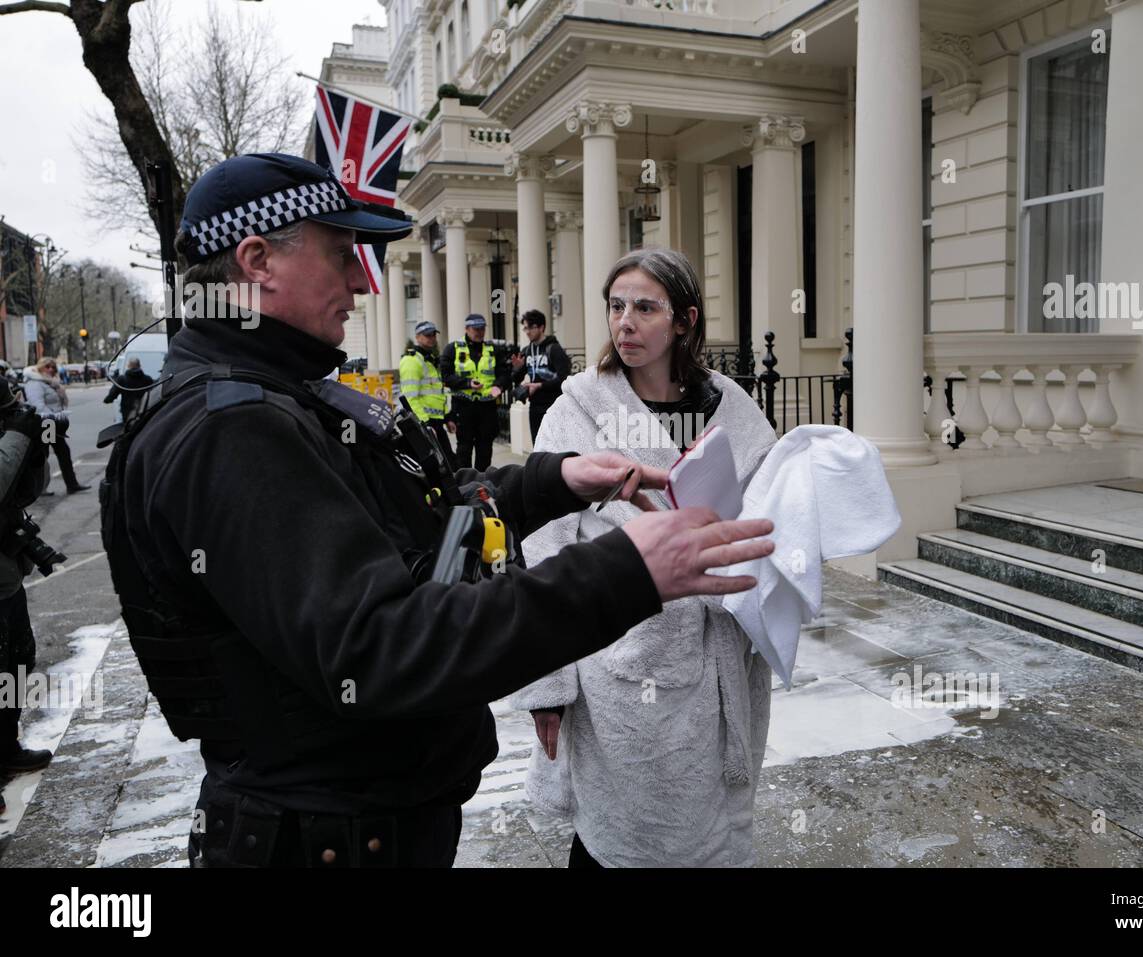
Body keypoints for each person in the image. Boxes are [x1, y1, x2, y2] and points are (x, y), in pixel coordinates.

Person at [98, 152, 774, 868]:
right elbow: (382, 641)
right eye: (341, 253)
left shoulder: (281, 397)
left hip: (364, 819)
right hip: (320, 834)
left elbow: (432, 524)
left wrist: (553, 481)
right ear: (257, 259)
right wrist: (626, 570)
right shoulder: (230, 430)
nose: (364, 279)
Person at [509, 248, 778, 867]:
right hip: (623, 667)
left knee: (709, 838)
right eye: (616, 306)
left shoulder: (733, 409)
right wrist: (548, 686)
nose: (625, 322)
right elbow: (543, 549)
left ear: (684, 321)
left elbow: (773, 522)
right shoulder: (577, 410)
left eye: (645, 308)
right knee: (622, 838)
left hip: (720, 666)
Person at [0, 381, 56, 808]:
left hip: (6, 578)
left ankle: (5, 748)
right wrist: (18, 435)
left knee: (18, 661)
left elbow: (23, 491)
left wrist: (35, 453)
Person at [440, 313, 507, 470]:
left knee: (485, 449)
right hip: (463, 407)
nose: (479, 332)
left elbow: (504, 374)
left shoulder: (493, 349)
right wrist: (467, 383)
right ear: (467, 329)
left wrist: (499, 385)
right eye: (475, 329)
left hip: (487, 407)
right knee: (464, 449)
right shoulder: (453, 349)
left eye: (482, 329)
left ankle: (483, 483)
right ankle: (465, 484)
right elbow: (445, 376)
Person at [23, 357, 90, 494]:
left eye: (53, 367)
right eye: (47, 366)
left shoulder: (50, 383)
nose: (51, 369)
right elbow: (38, 406)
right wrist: (55, 417)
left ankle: (71, 484)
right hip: (45, 423)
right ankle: (40, 488)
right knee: (43, 455)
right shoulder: (35, 383)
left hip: (54, 423)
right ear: (40, 368)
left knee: (63, 453)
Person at [509, 309, 571, 443]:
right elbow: (516, 379)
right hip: (535, 406)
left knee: (555, 445)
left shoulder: (554, 349)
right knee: (538, 445)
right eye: (525, 328)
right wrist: (517, 369)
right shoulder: (527, 351)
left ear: (541, 327)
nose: (527, 331)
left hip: (554, 405)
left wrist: (540, 385)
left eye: (531, 327)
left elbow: (564, 378)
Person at [398, 321, 455, 464]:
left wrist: (447, 418)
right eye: (427, 335)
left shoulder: (429, 360)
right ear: (417, 337)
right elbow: (410, 398)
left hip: (435, 422)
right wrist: (425, 425)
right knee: (441, 464)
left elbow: (436, 394)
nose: (432, 338)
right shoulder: (411, 361)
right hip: (426, 422)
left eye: (433, 334)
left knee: (447, 462)